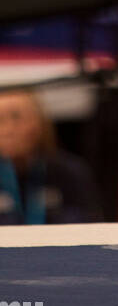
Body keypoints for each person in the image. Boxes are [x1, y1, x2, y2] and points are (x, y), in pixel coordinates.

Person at [0, 89, 102, 224]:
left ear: (39, 123)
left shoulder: (70, 171)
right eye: (0, 120)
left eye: (16, 117)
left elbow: (93, 225)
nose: (7, 130)